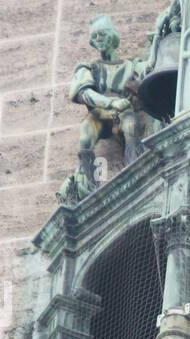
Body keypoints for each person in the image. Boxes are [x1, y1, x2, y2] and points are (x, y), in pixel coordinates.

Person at [59, 16, 150, 201]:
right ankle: (91, 182)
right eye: (94, 37)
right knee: (86, 133)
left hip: (125, 110)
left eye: (102, 34)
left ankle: (135, 173)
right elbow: (83, 93)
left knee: (131, 126)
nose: (98, 40)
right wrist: (109, 102)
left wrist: (156, 43)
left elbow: (149, 68)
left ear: (112, 36)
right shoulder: (89, 67)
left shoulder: (130, 65)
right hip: (101, 110)